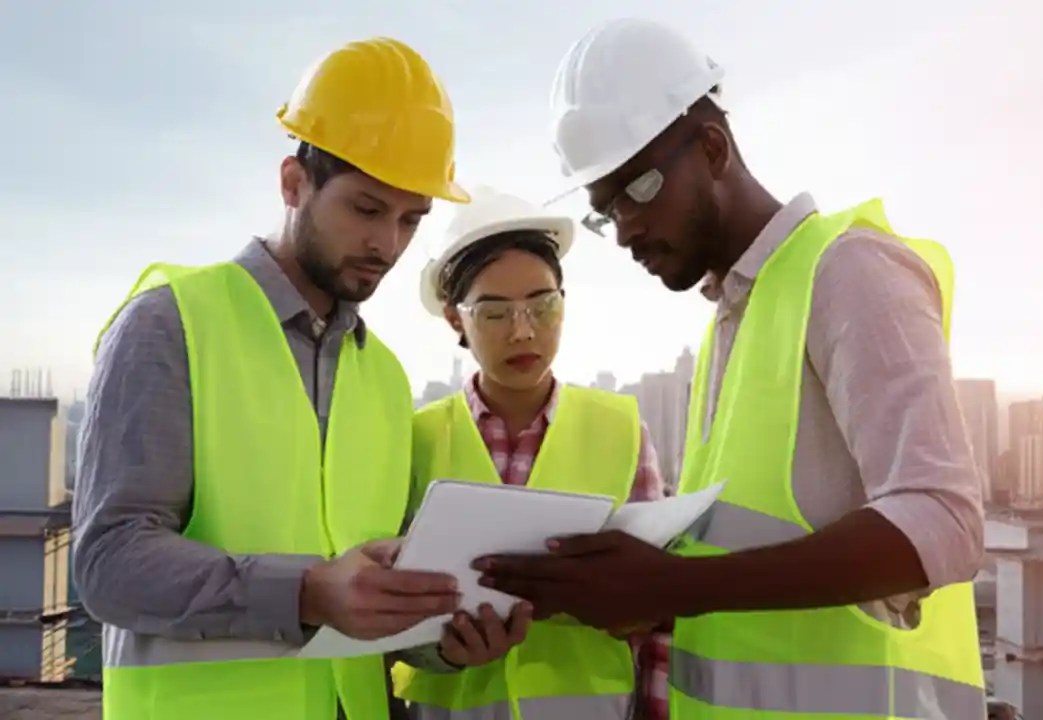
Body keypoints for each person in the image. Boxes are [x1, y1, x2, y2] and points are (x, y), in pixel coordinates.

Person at [476, 18, 988, 720]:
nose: (625, 230)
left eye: (638, 190)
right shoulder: (733, 321)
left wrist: (671, 585)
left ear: (713, 148)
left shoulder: (849, 270)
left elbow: (944, 520)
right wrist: (624, 584)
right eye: (606, 211)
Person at [71, 37, 471, 720]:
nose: (388, 244)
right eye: (366, 209)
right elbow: (110, 562)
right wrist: (307, 591)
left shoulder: (382, 376)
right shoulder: (170, 325)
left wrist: (445, 641)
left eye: (411, 220)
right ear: (293, 183)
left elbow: (363, 602)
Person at [388, 187, 670, 720]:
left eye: (543, 306)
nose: (524, 331)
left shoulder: (622, 428)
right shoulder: (412, 439)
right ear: (455, 320)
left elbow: (657, 617)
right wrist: (440, 651)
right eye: (494, 313)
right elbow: (381, 610)